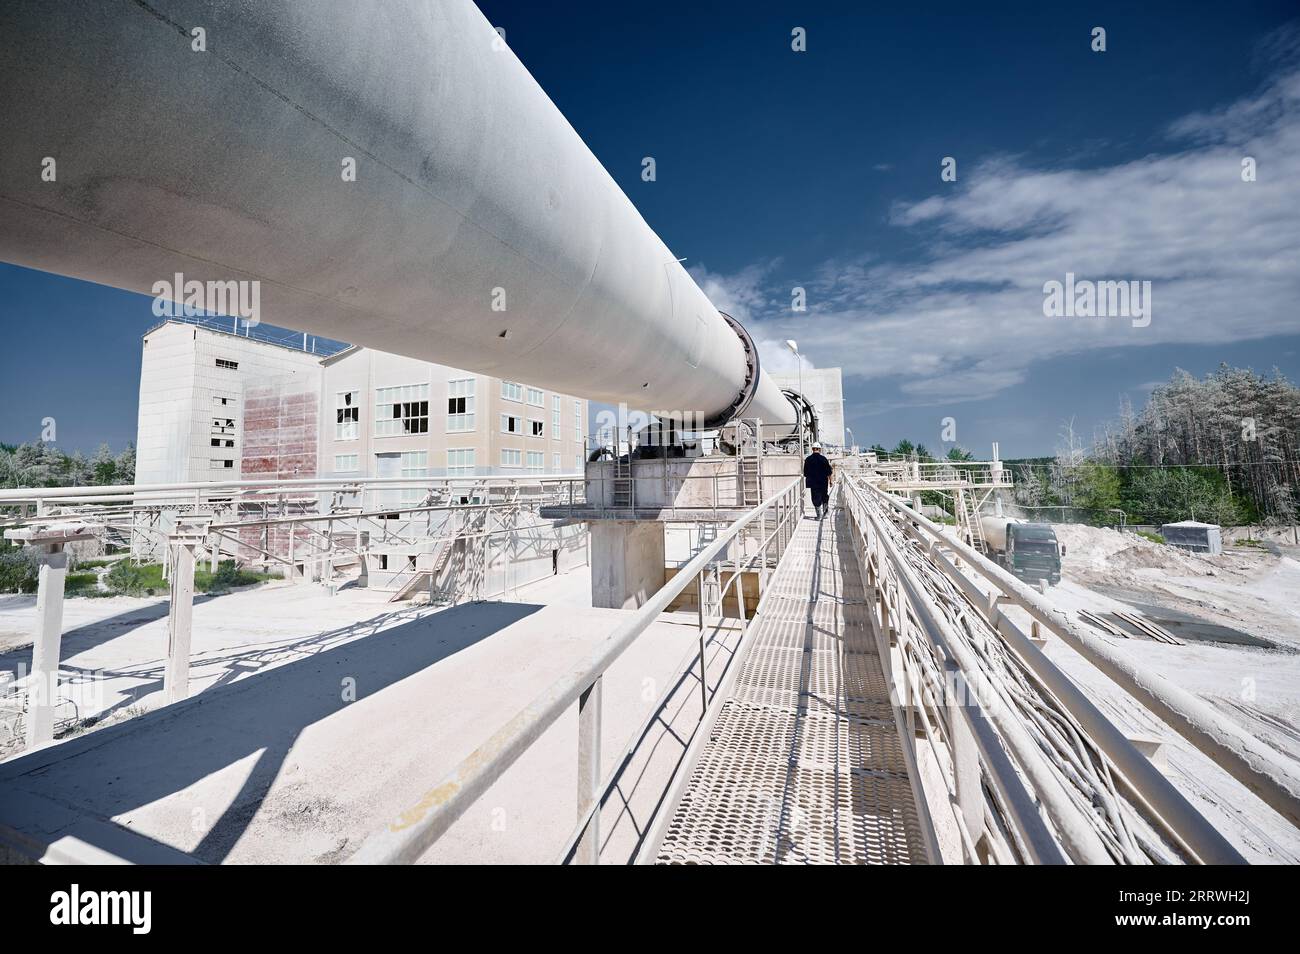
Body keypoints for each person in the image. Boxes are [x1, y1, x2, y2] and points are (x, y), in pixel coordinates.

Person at [803, 443, 832, 520]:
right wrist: (830, 481)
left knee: (815, 498)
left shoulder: (808, 459)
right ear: (819, 449)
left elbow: (805, 473)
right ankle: (825, 513)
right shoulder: (824, 459)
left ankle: (819, 515)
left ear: (812, 449)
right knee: (824, 496)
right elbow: (829, 472)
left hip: (813, 482)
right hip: (823, 482)